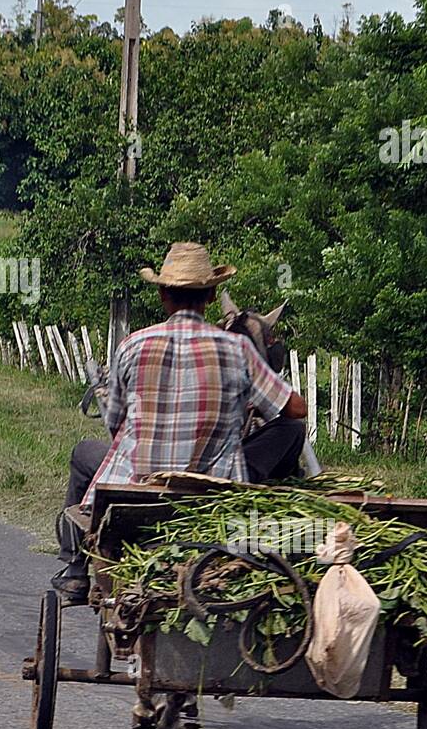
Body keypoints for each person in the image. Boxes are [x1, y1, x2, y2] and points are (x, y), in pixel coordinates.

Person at [53, 242, 308, 604]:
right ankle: (273, 487)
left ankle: (75, 570)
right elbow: (295, 411)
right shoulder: (237, 350)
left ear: (162, 294)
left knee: (83, 454)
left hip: (137, 490)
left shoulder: (132, 345)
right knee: (290, 430)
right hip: (212, 494)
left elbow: (115, 425)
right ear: (210, 295)